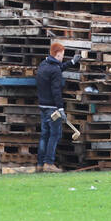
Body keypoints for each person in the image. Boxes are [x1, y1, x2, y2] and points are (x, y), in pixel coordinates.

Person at [35, 40, 82, 172]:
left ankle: (40, 164)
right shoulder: (54, 70)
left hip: (43, 106)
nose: (62, 57)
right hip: (52, 108)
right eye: (62, 55)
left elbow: (57, 68)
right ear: (57, 54)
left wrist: (72, 62)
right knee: (55, 134)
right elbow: (56, 91)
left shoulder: (44, 64)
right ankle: (49, 163)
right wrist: (60, 109)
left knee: (44, 134)